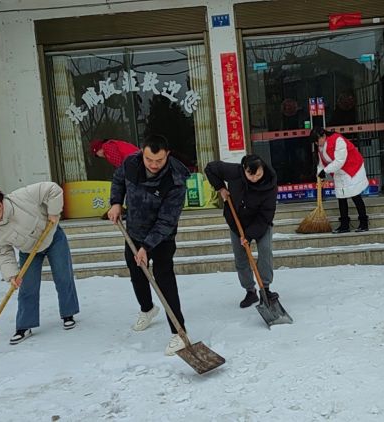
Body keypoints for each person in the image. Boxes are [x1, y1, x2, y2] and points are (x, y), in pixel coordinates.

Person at [107, 134, 189, 356]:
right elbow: (118, 180)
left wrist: (146, 247)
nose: (153, 165)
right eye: (149, 159)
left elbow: (166, 221)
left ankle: (178, 331)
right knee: (136, 272)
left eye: (159, 160)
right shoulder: (131, 163)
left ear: (167, 155)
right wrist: (115, 202)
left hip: (162, 239)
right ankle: (147, 309)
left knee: (164, 280)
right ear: (143, 152)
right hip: (134, 230)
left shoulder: (176, 179)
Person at [0, 182, 80, 345]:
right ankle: (24, 326)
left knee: (63, 277)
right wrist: (11, 274)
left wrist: (54, 212)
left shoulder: (22, 197)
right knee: (27, 287)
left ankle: (68, 314)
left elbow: (52, 189)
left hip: (52, 237)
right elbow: (1, 252)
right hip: (28, 250)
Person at [205, 154, 280, 308]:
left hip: (261, 222)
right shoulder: (235, 171)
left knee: (265, 251)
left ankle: (265, 288)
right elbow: (210, 168)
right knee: (241, 258)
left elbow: (266, 215)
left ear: (263, 169)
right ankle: (250, 291)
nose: (254, 178)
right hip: (237, 221)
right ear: (244, 169)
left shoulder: (270, 183)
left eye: (258, 174)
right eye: (250, 175)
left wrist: (248, 235)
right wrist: (220, 187)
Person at [310, 127, 369, 233]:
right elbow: (321, 163)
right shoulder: (320, 147)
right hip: (339, 171)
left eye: (317, 140)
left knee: (355, 195)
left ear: (323, 136)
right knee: (341, 197)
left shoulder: (337, 140)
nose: (316, 143)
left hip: (352, 168)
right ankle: (344, 224)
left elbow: (340, 160)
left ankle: (364, 223)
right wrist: (319, 174)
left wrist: (326, 171)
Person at [90, 139, 139, 219]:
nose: (99, 157)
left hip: (134, 166)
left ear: (98, 150)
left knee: (130, 189)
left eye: (96, 155)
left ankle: (131, 212)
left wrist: (119, 178)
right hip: (135, 165)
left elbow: (119, 164)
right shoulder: (113, 144)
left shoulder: (107, 146)